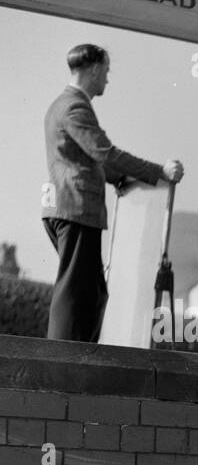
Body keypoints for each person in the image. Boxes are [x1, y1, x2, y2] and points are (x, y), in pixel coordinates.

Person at [42, 44, 184, 342]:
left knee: (91, 291)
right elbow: (104, 153)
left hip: (71, 209)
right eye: (106, 72)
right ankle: (63, 358)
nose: (107, 79)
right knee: (76, 290)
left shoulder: (64, 105)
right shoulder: (74, 107)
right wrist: (158, 171)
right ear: (93, 69)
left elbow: (89, 160)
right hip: (77, 210)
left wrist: (121, 179)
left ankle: (78, 356)